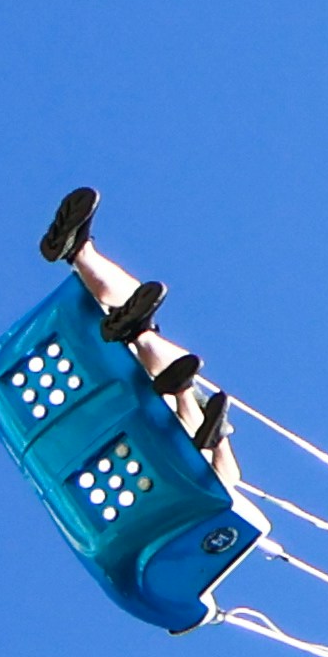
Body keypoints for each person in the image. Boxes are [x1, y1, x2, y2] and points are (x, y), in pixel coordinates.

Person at [38, 186, 239, 476]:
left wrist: (217, 439)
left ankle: (82, 254)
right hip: (142, 405)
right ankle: (82, 254)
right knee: (138, 327)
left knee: (220, 468)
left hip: (163, 434)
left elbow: (226, 483)